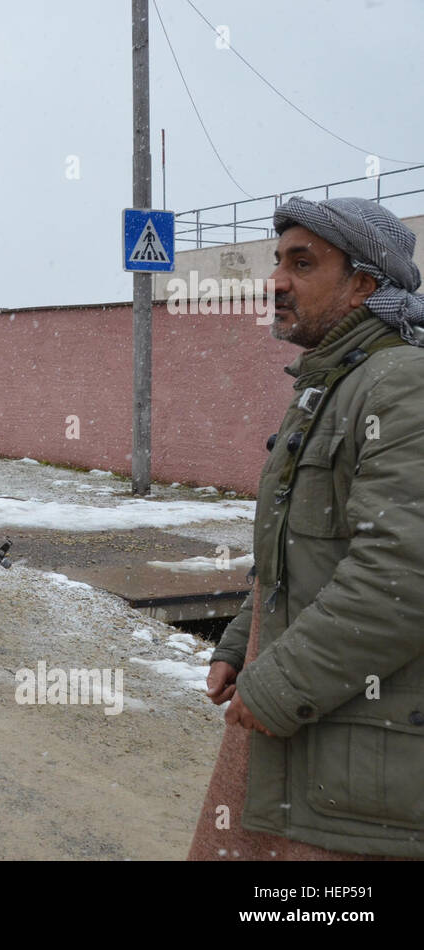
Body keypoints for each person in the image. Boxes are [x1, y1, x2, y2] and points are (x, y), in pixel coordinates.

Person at [189, 196, 424, 859]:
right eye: (278, 261)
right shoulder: (330, 385)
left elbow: (402, 576)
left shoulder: (402, 387)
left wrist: (278, 684)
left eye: (302, 262)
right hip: (295, 716)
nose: (277, 282)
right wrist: (241, 642)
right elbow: (290, 555)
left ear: (364, 286)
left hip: (350, 737)